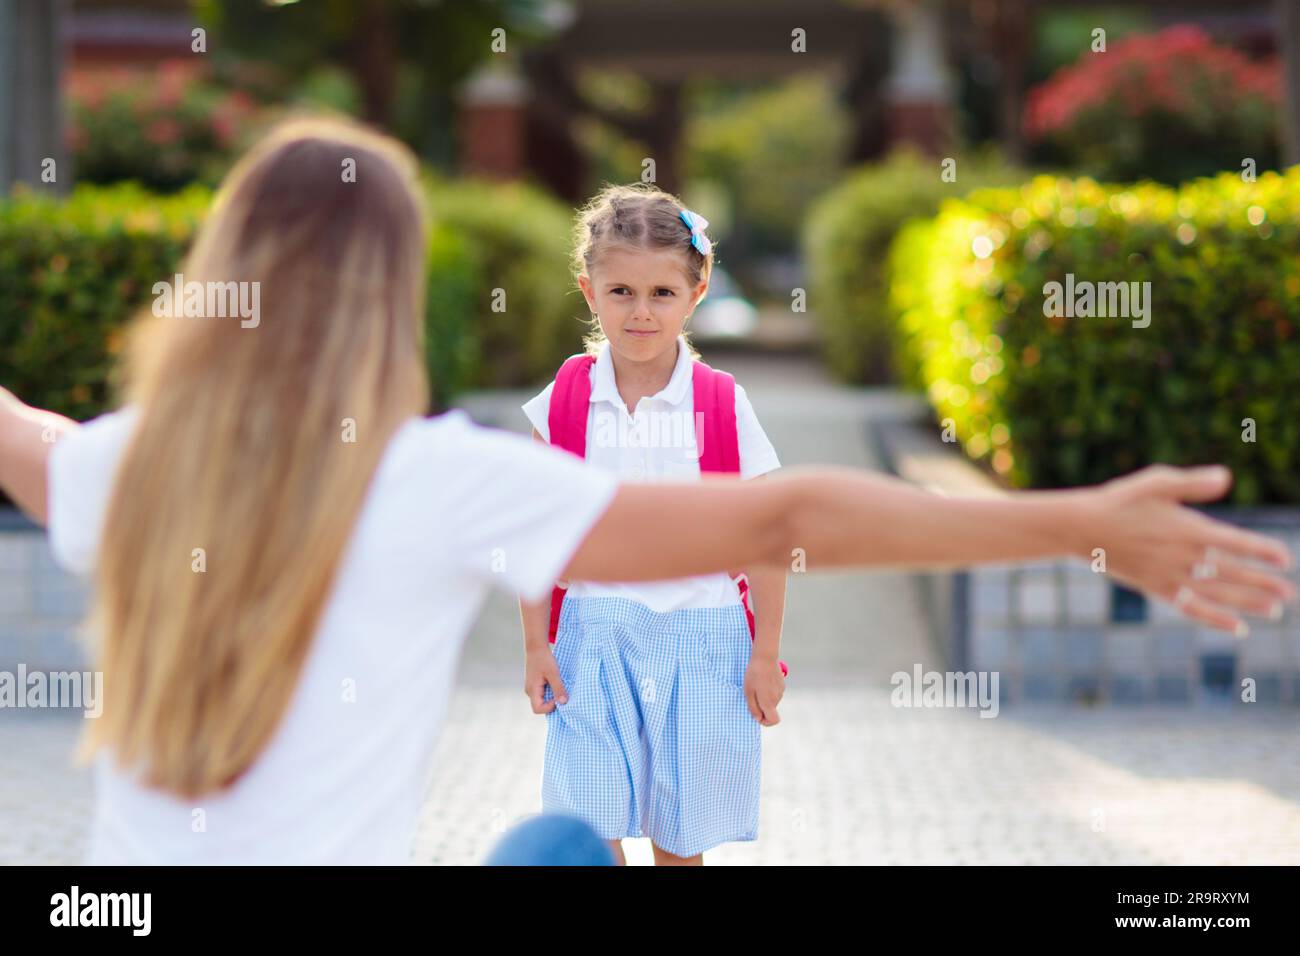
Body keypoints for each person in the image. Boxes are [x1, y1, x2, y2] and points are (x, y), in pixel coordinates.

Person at [0, 117, 1292, 866]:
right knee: (560, 851)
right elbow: (792, 520)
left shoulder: (125, 469)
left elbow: (29, 432)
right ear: (390, 297)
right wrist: (1079, 524)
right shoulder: (433, 478)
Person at [519, 185, 786, 866]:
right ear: (589, 292)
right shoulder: (567, 401)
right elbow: (537, 531)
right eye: (621, 293)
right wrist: (535, 646)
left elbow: (767, 534)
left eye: (662, 293)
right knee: (589, 830)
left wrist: (764, 655)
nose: (641, 312)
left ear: (696, 294)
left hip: (703, 639)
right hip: (592, 639)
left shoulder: (721, 402)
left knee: (679, 842)